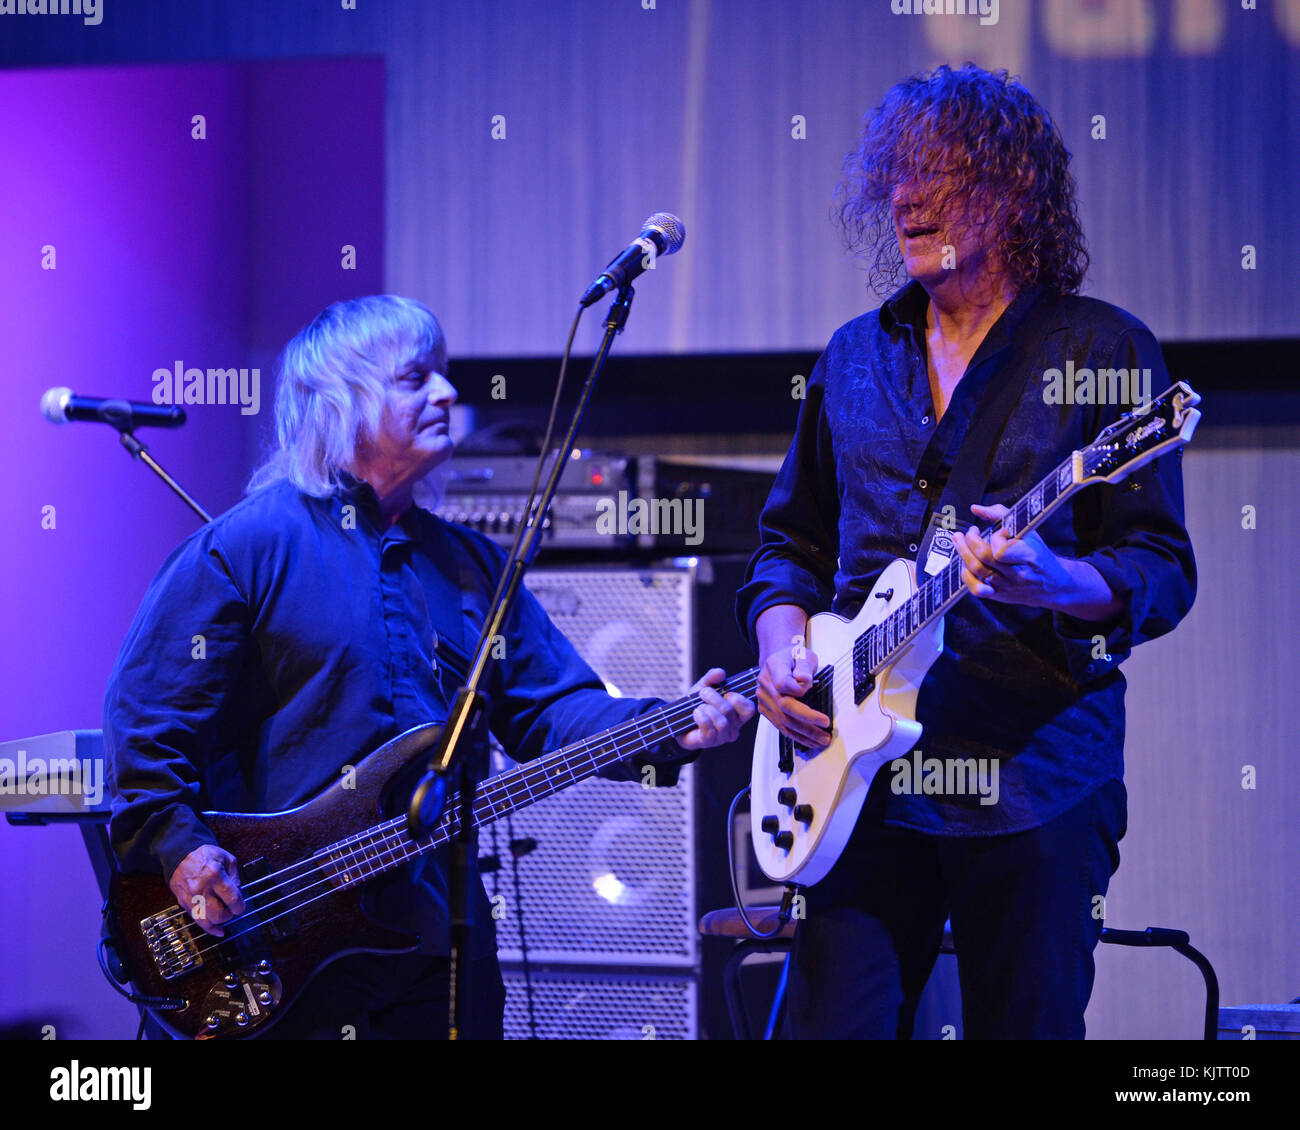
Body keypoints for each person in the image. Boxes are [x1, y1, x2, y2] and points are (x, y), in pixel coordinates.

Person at [105, 293, 753, 1039]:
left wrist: (670, 726)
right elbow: (148, 724)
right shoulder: (246, 547)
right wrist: (182, 853)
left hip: (435, 942)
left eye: (443, 374)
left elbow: (551, 709)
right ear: (343, 400)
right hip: (268, 941)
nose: (448, 394)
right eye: (417, 378)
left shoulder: (475, 567)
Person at [736, 64, 1196, 1039]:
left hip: (1032, 779)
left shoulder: (1104, 350)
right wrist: (782, 647)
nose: (908, 195)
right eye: (897, 173)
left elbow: (1160, 564)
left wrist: (1055, 579)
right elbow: (789, 543)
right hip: (856, 785)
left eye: (941, 172)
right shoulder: (852, 356)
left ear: (1013, 191)